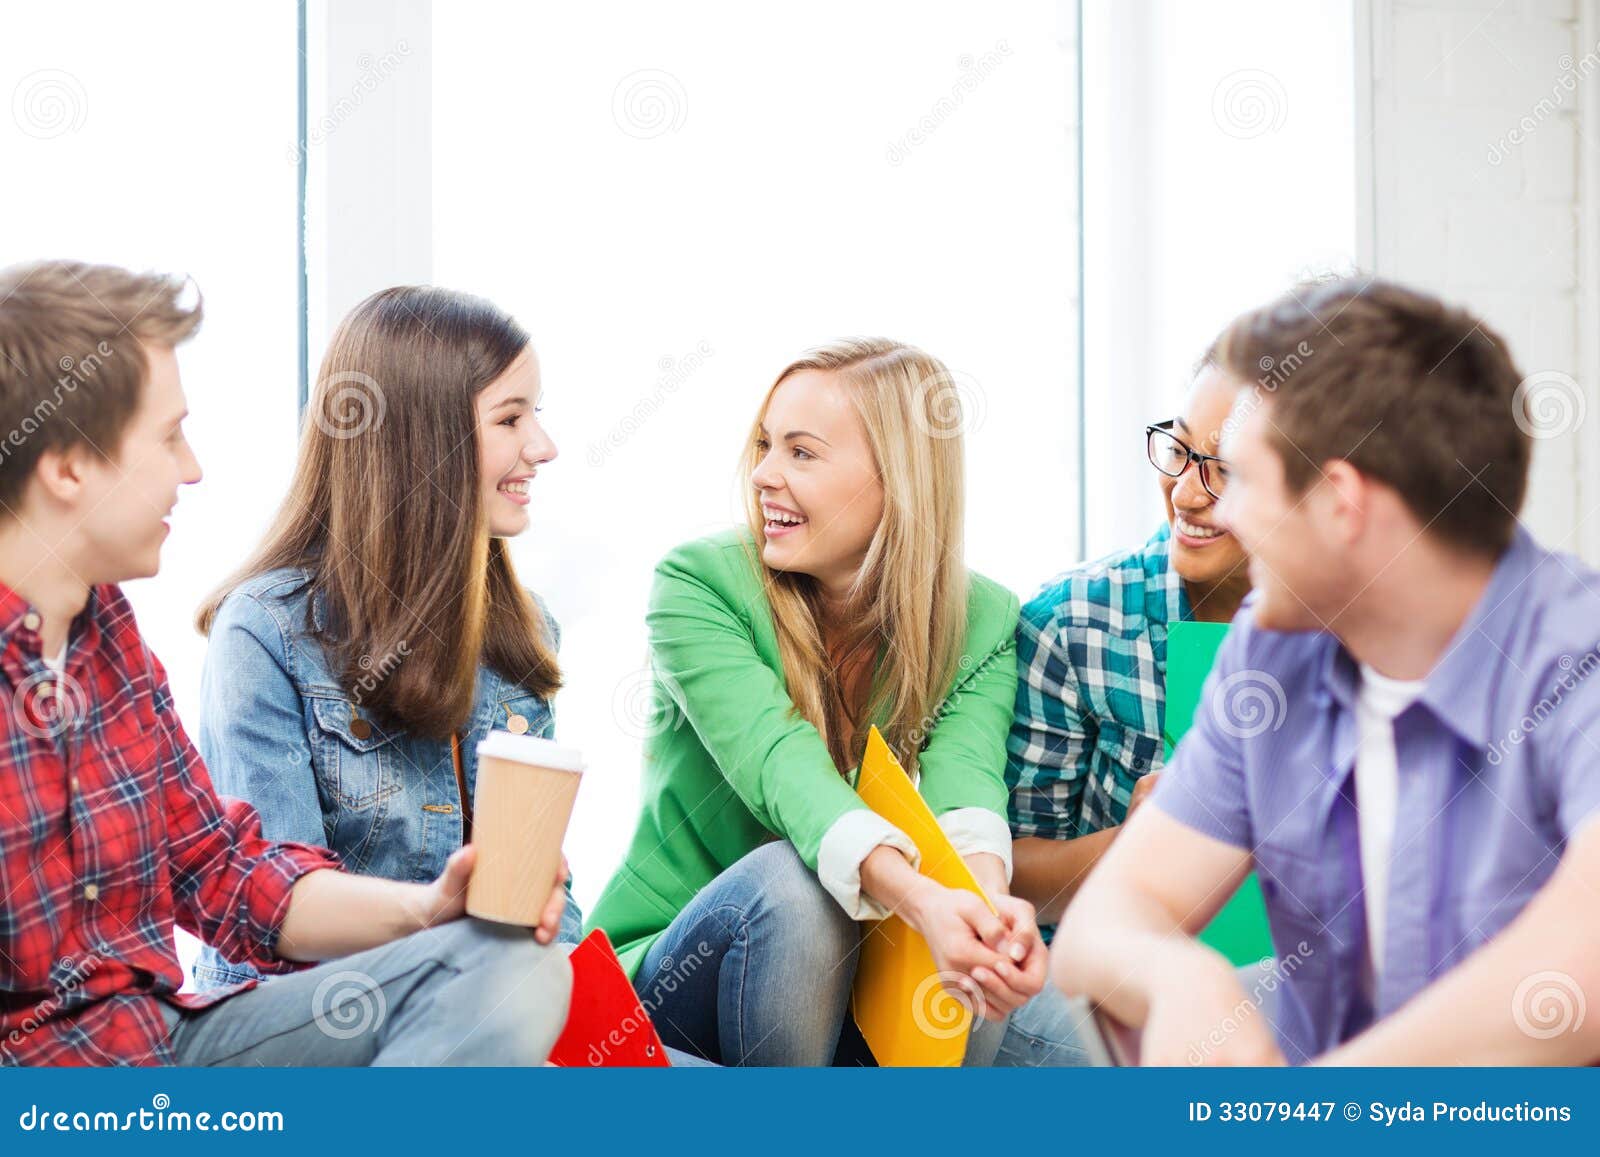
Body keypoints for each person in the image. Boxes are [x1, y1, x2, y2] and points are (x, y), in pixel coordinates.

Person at [0, 260, 570, 1066]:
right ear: (66, 466)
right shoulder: (265, 627)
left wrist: (430, 908)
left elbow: (227, 871)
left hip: (165, 1050)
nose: (191, 468)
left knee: (507, 964)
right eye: (167, 437)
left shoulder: (111, 642)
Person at [1053, 277, 1600, 1065]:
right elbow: (1106, 922)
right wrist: (1183, 981)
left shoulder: (1575, 654)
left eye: (1240, 477)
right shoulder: (1270, 656)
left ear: (1340, 501)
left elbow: (1579, 956)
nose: (1218, 510)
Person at [587, 338, 1047, 1065]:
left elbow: (968, 786)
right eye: (766, 445)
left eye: (801, 453)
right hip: (674, 971)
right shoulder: (698, 584)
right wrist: (924, 900)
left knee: (977, 965)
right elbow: (782, 766)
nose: (764, 474)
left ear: (896, 481)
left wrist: (983, 911)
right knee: (794, 884)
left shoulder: (982, 617)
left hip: (841, 976)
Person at [189, 286, 580, 994]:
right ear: (424, 441)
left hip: (492, 1007)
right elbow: (273, 925)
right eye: (511, 418)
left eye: (537, 415)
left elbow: (548, 905)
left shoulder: (525, 629)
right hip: (329, 1026)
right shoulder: (265, 632)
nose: (543, 448)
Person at [995, 353, 1252, 1066]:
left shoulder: (1360, 626)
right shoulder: (1074, 621)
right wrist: (1137, 849)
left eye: (1226, 467)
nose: (1185, 493)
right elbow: (1003, 872)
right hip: (1099, 994)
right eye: (1179, 449)